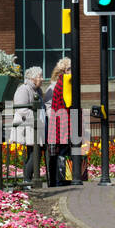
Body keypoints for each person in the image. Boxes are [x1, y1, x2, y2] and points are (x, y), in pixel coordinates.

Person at [11, 66, 45, 184]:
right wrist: (36, 117)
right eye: (39, 76)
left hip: (35, 126)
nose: (42, 79)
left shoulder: (37, 90)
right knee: (35, 152)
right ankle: (27, 180)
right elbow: (21, 109)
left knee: (34, 152)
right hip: (28, 126)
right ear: (32, 78)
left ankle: (27, 180)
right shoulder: (23, 89)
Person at [46, 57, 73, 187]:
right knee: (63, 153)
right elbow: (68, 105)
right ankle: (62, 181)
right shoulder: (64, 83)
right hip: (62, 124)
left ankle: (59, 181)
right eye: (71, 69)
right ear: (65, 70)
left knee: (59, 153)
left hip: (58, 123)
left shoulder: (59, 83)